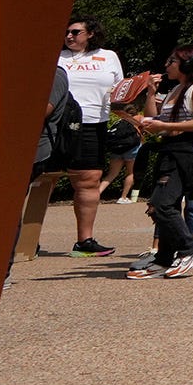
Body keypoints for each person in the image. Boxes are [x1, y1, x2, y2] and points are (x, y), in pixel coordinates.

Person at [126, 45, 193, 279]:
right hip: (169, 151)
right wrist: (150, 96)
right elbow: (155, 118)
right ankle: (164, 259)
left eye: (171, 61)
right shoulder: (175, 89)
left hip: (190, 153)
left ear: (186, 64)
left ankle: (189, 249)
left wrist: (165, 126)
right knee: (160, 205)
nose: (166, 66)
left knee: (162, 203)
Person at [50, 17, 128, 256]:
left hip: (93, 123)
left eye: (75, 32)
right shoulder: (57, 56)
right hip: (56, 124)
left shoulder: (109, 56)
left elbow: (119, 92)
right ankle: (24, 239)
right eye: (66, 32)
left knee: (89, 180)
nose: (69, 36)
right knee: (42, 179)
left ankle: (84, 241)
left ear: (91, 34)